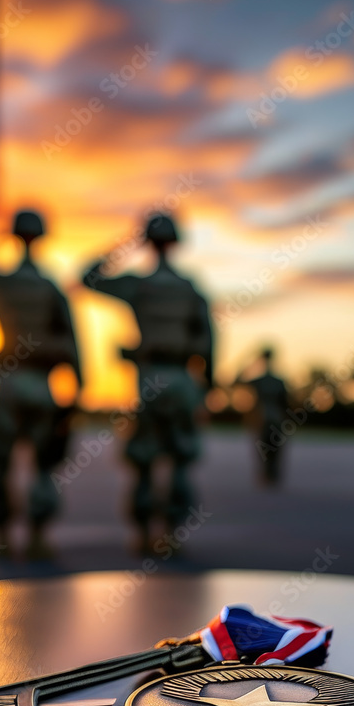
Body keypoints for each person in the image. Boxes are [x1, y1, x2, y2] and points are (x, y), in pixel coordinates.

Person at [0, 209, 81, 557]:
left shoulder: (1, 281)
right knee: (42, 465)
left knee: (1, 464)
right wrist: (77, 391)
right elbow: (72, 341)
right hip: (41, 385)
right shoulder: (50, 286)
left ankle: (3, 538)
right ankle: (37, 538)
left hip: (7, 384)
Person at [82, 212, 213, 552]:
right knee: (179, 460)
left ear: (150, 242)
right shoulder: (190, 288)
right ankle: (172, 535)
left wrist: (126, 247)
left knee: (144, 460)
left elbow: (88, 278)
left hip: (150, 381)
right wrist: (206, 390)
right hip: (184, 381)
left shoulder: (137, 285)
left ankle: (142, 534)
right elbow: (209, 342)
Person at [235, 348, 288, 484]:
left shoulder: (262, 381)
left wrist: (250, 360)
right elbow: (285, 405)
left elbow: (237, 380)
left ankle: (268, 476)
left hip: (264, 420)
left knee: (265, 451)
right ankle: (271, 476)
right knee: (273, 451)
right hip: (273, 420)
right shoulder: (278, 381)